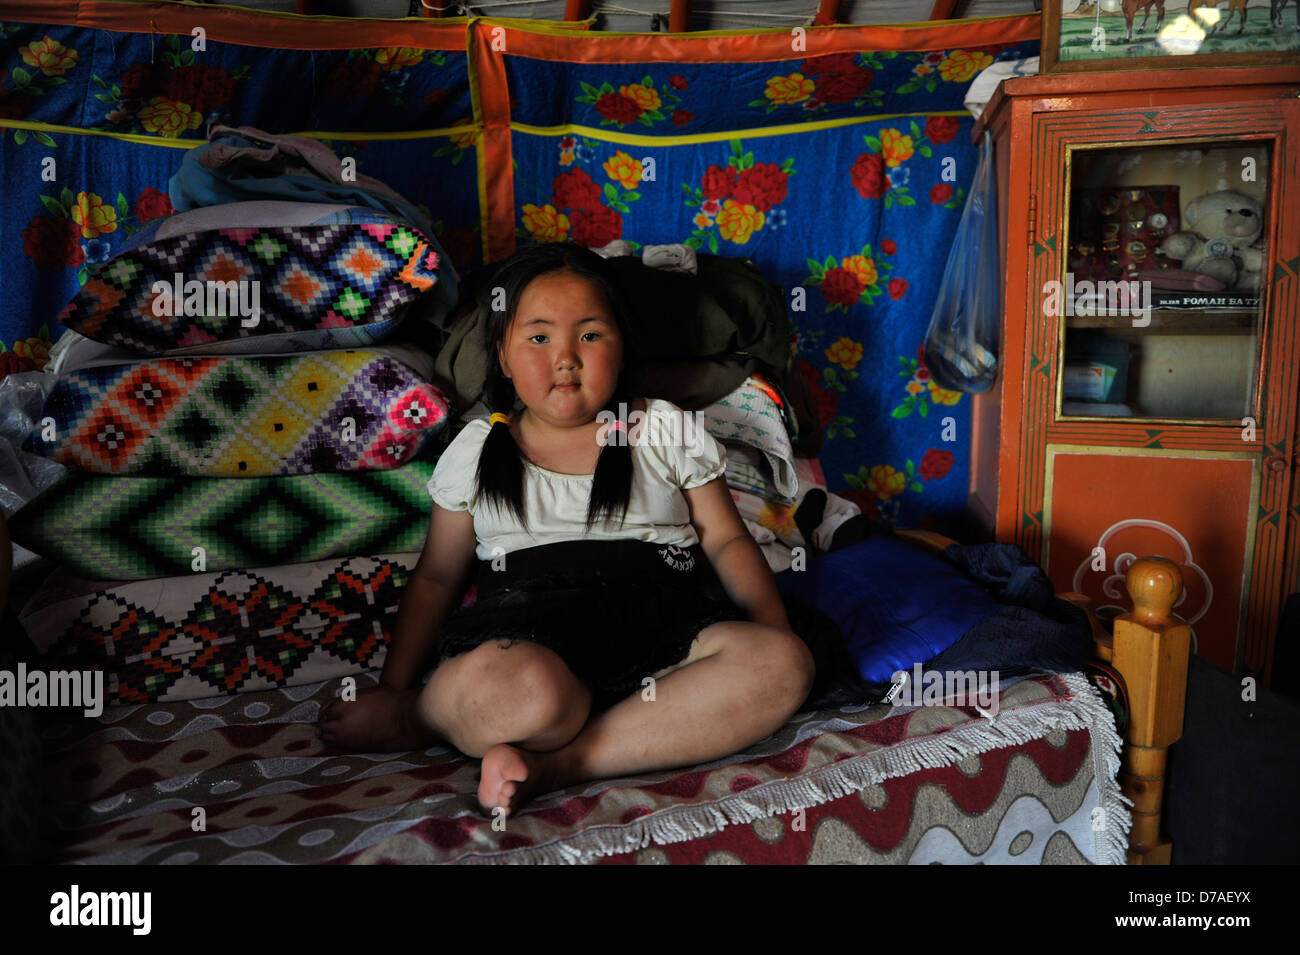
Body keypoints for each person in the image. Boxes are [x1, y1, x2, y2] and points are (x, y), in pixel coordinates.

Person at [318, 241, 814, 817]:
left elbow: (728, 540)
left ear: (622, 347)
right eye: (538, 337)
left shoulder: (660, 429)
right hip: (529, 642)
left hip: (664, 636)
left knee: (780, 667)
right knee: (524, 690)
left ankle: (562, 764)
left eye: (590, 334)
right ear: (502, 356)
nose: (565, 357)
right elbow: (436, 577)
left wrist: (775, 629)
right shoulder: (478, 449)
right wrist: (396, 691)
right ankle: (418, 717)